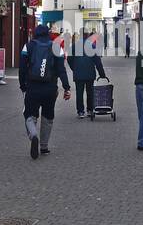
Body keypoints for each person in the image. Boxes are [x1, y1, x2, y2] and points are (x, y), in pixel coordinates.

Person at [19, 23, 71, 159]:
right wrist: (67, 87)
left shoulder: (28, 46)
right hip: (50, 88)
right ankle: (44, 146)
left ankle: (33, 135)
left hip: (33, 87)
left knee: (29, 115)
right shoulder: (56, 47)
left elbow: (22, 68)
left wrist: (23, 86)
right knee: (48, 117)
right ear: (47, 34)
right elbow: (61, 69)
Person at [68, 32, 107, 117]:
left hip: (78, 73)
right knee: (90, 92)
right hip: (90, 73)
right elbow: (98, 61)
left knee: (79, 92)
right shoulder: (92, 46)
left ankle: (80, 111)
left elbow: (69, 59)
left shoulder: (74, 46)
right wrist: (102, 74)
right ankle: (90, 110)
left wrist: (74, 68)